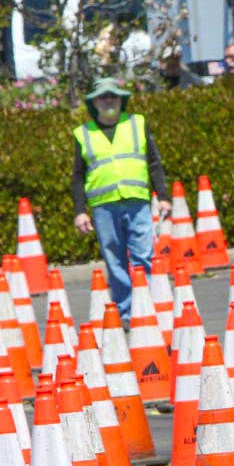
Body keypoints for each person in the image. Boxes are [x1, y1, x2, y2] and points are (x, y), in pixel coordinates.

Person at [71, 77, 170, 319]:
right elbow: (78, 175)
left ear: (121, 100)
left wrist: (163, 195)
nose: (108, 101)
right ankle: (126, 313)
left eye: (113, 96)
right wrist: (80, 211)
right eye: (103, 97)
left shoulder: (137, 123)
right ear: (94, 103)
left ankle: (148, 310)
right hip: (104, 207)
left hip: (137, 201)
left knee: (143, 257)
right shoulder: (83, 133)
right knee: (115, 262)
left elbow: (154, 162)